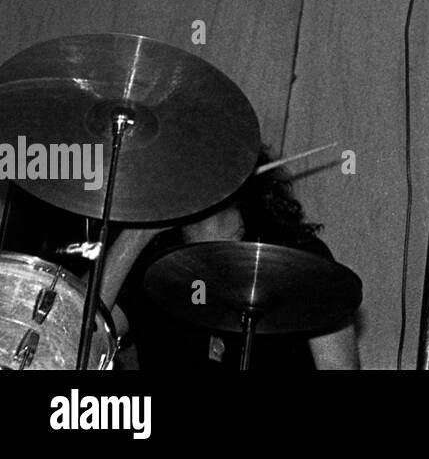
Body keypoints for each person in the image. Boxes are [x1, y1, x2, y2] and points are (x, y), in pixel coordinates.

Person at [99, 148, 359, 370]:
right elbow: (81, 334)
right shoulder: (150, 263)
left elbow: (337, 367)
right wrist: (136, 235)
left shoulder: (297, 257)